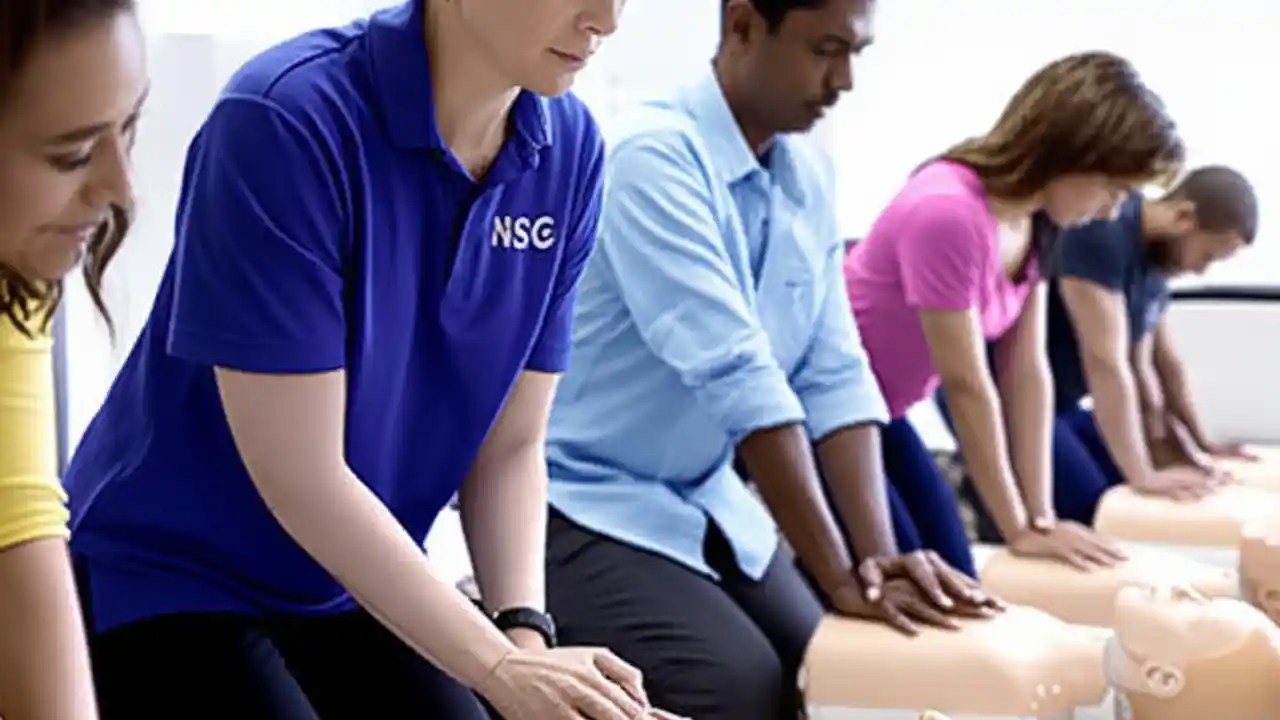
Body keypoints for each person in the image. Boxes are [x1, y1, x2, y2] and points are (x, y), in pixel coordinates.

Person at [61, 1, 677, 718]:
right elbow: (302, 476)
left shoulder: (568, 149)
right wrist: (498, 666)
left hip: (348, 581)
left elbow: (510, 446)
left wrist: (524, 640)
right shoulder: (283, 119)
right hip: (170, 578)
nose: (605, 19)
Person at [542, 2, 1001, 718]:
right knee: (734, 682)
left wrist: (870, 568)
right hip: (582, 498)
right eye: (825, 49)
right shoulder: (651, 156)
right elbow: (738, 374)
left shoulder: (805, 175)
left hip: (703, 494)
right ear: (744, 26)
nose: (844, 79)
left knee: (825, 657)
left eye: (856, 53)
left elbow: (834, 373)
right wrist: (837, 570)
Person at [844, 50, 1185, 576]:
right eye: (1113, 189)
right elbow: (968, 387)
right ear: (1070, 154)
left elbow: (1026, 373)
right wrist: (1016, 528)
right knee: (917, 579)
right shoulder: (949, 212)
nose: (1114, 211)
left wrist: (1041, 518)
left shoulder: (1035, 223)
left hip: (881, 409)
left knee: (955, 569)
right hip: (827, 410)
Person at [0, 2, 144, 718]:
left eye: (131, 127)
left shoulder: (15, 284)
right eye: (73, 154)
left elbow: (19, 526)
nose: (121, 189)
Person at [1041, 165, 1258, 523]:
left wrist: (1201, 445)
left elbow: (1156, 366)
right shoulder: (1102, 231)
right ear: (1184, 216)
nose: (1202, 272)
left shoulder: (1157, 259)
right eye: (1207, 256)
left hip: (1061, 402)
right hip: (1012, 398)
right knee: (1095, 507)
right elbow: (1106, 363)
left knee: (1127, 493)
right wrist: (1143, 473)